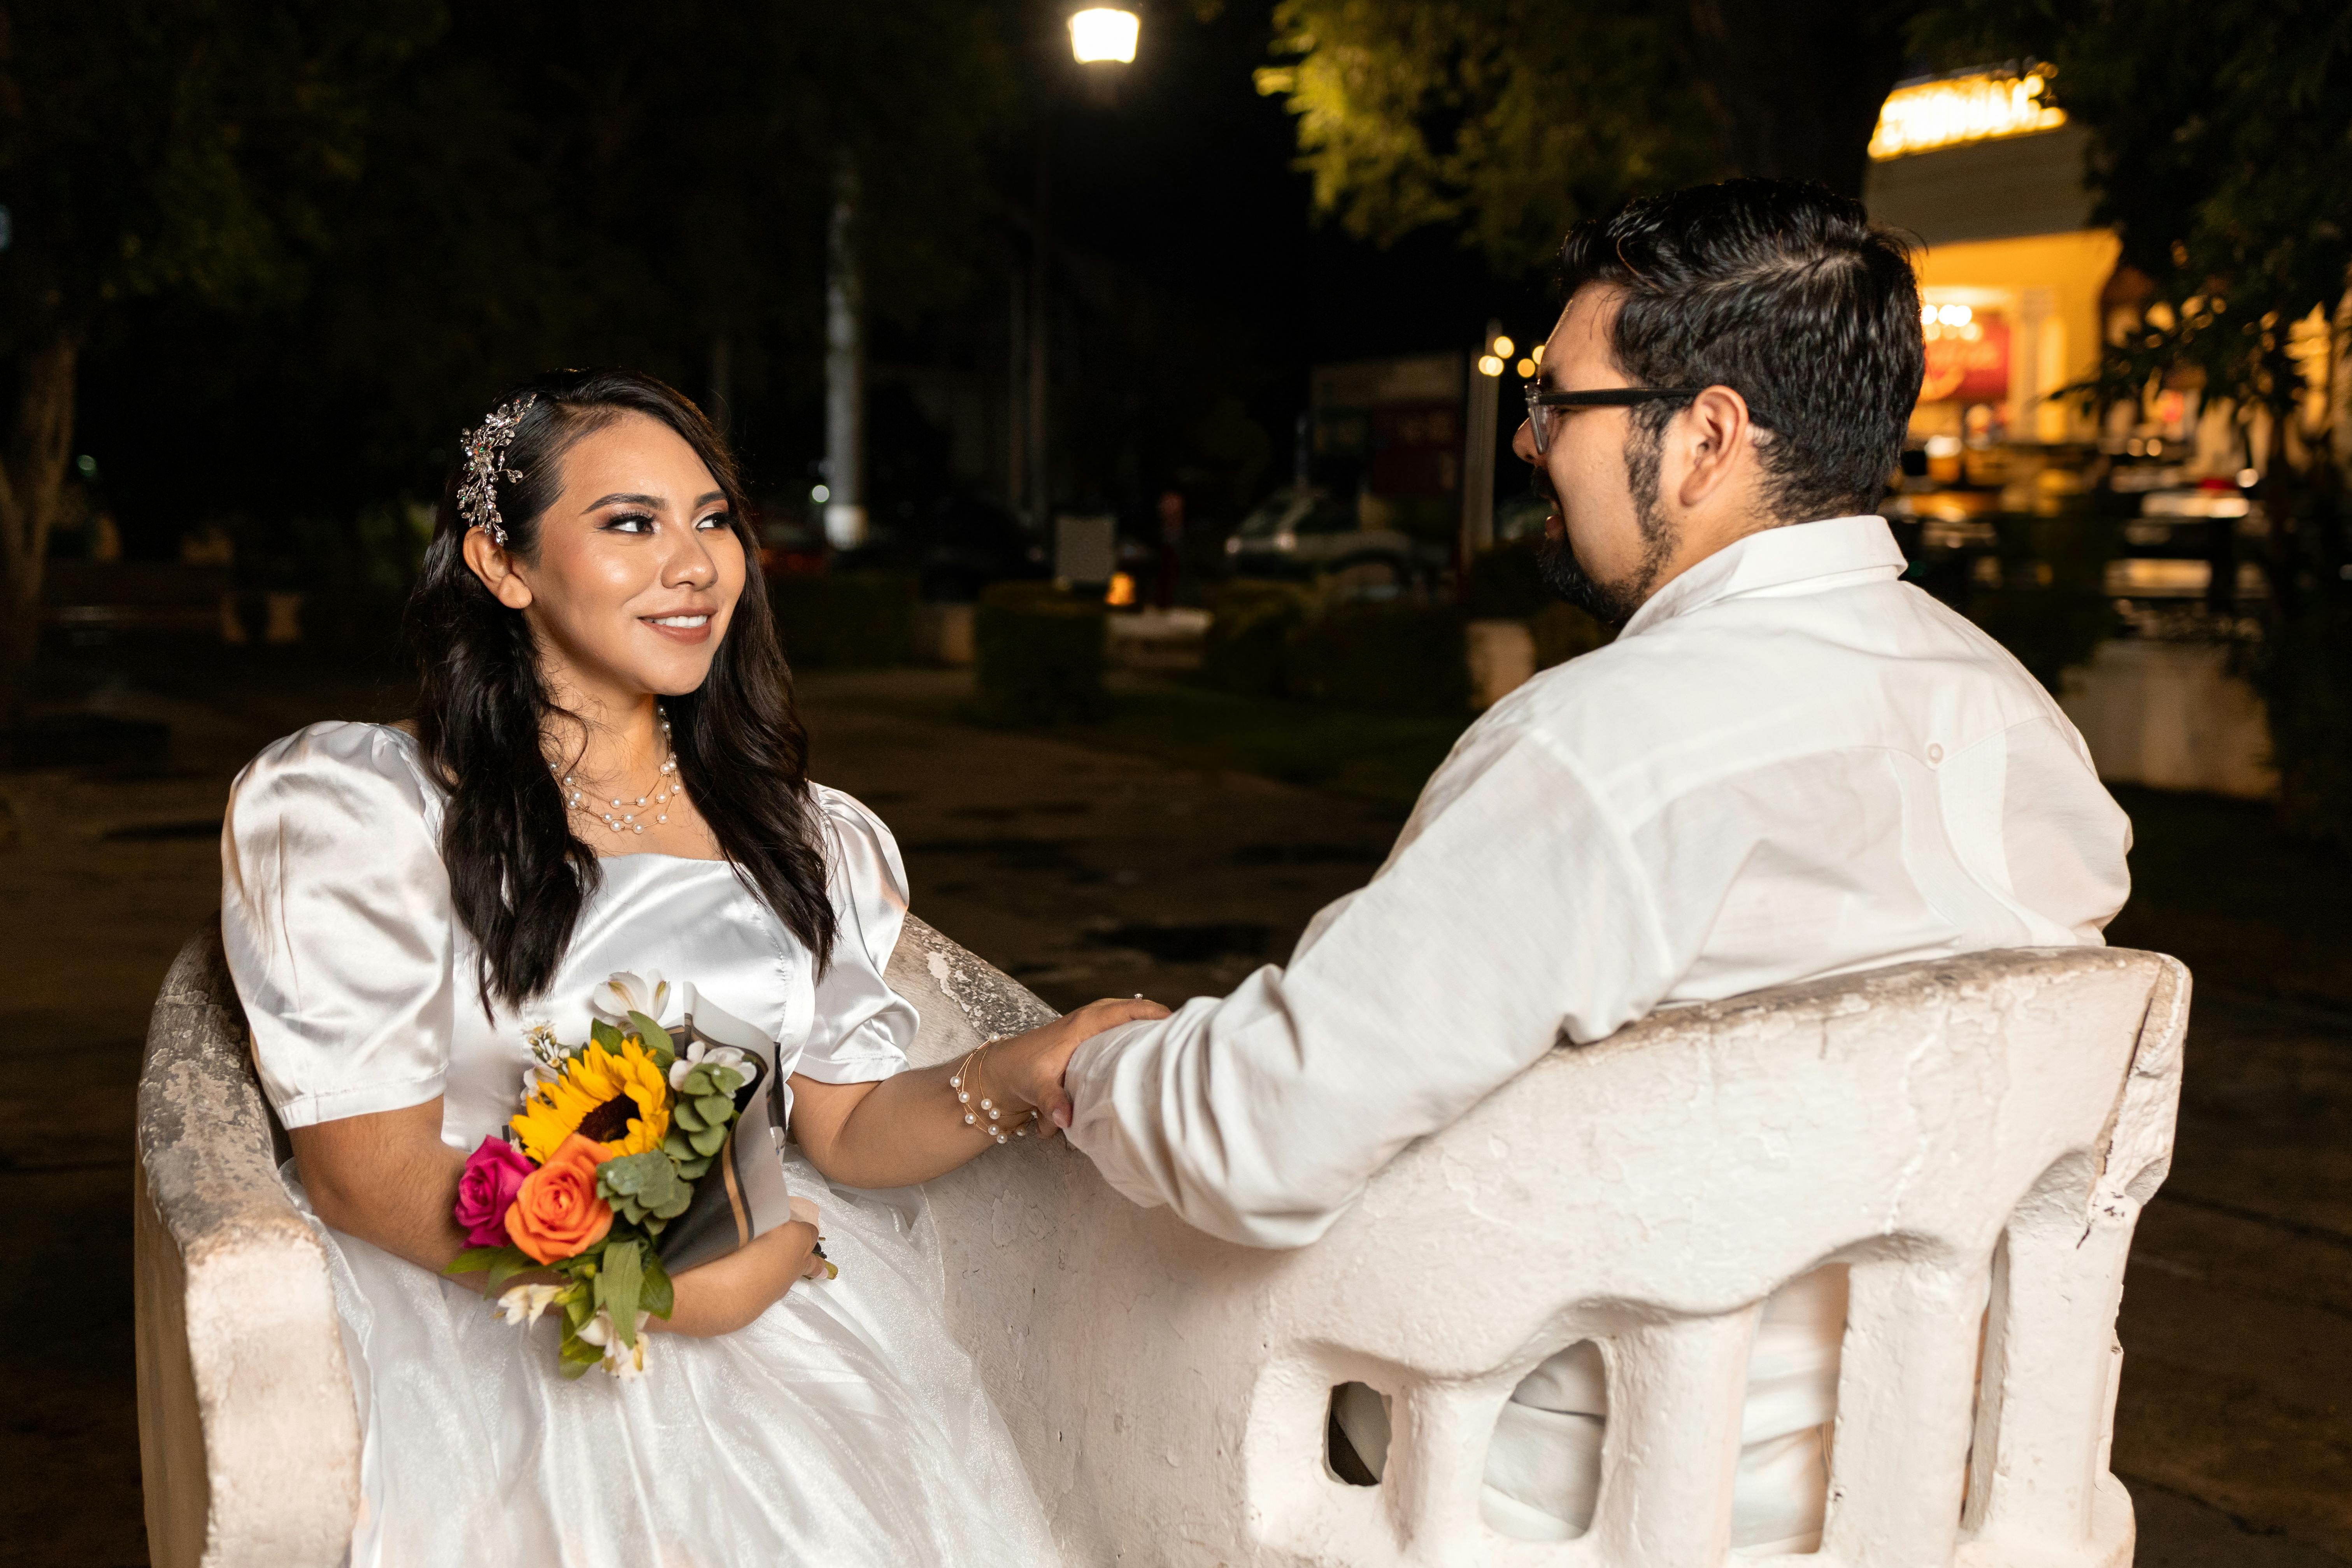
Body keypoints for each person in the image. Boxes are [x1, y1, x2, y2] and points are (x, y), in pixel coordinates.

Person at [1025, 181, 2133, 1552]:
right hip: (1939, 1499)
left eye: (1561, 406)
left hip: (1566, 1507)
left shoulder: (1604, 754)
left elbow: (1260, 1139)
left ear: (1706, 436)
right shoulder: (2029, 732)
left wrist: (1072, 1069)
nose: (1538, 445)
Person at [219, 368, 1162, 1567]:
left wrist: (1017, 1073)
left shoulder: (805, 834)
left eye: (714, 521)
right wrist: (663, 1286)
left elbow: (848, 1123)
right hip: (487, 1334)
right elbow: (364, 1168)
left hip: (787, 1330)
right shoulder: (366, 810)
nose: (696, 564)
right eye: (631, 524)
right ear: (502, 566)